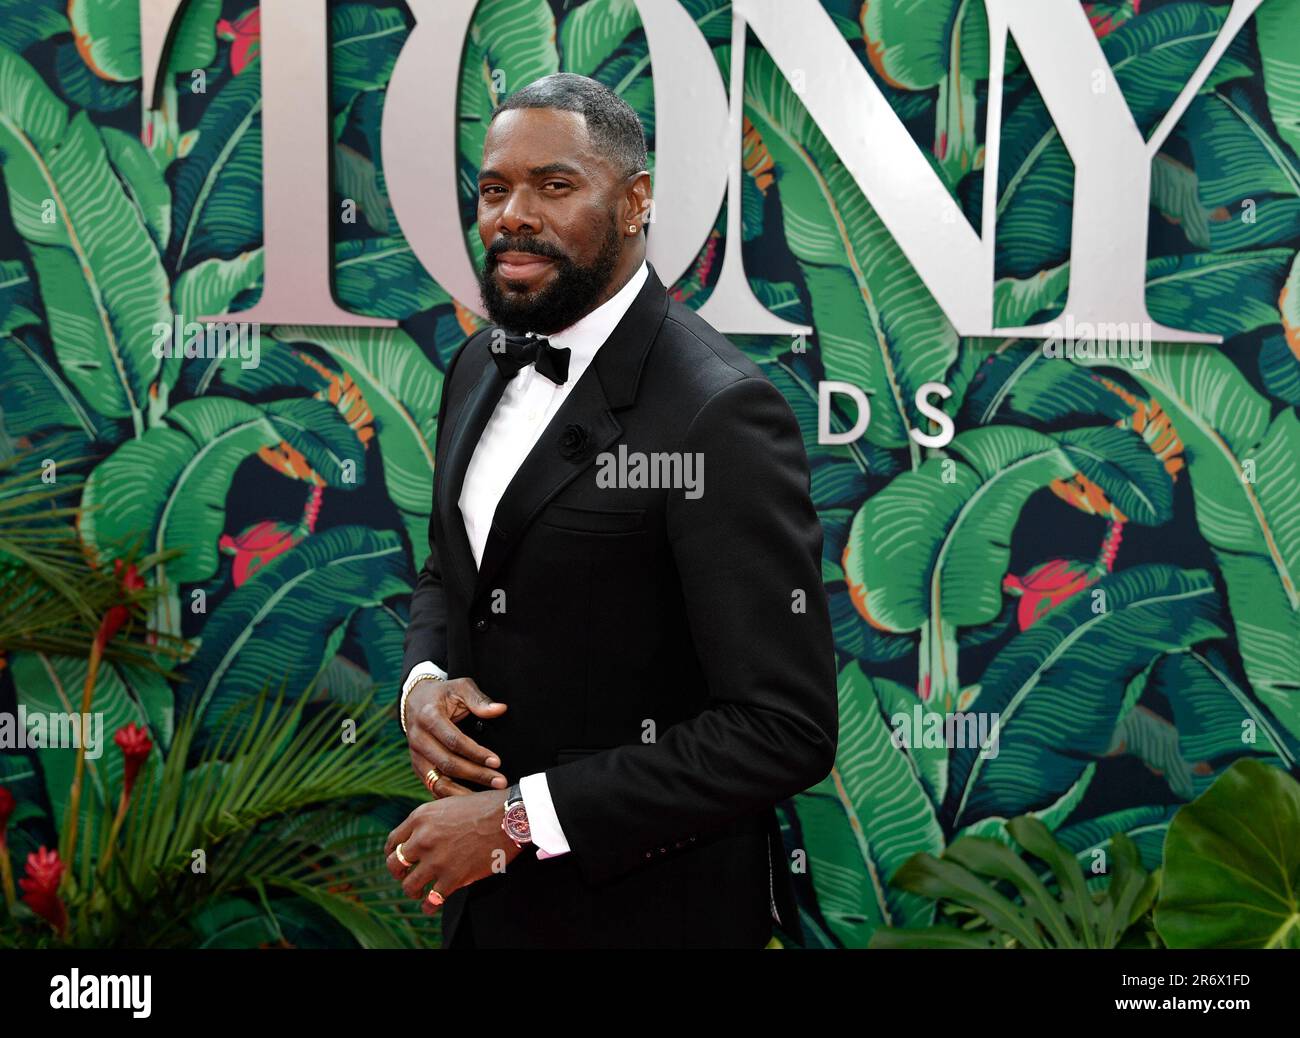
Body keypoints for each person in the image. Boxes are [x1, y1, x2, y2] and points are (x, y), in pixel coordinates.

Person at [384, 72, 837, 949]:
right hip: (488, 919)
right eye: (493, 189)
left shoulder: (717, 411)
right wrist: (423, 688)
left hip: (650, 915)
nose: (512, 215)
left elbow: (783, 729)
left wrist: (515, 821)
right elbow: (452, 570)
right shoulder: (477, 362)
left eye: (554, 186)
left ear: (634, 204)